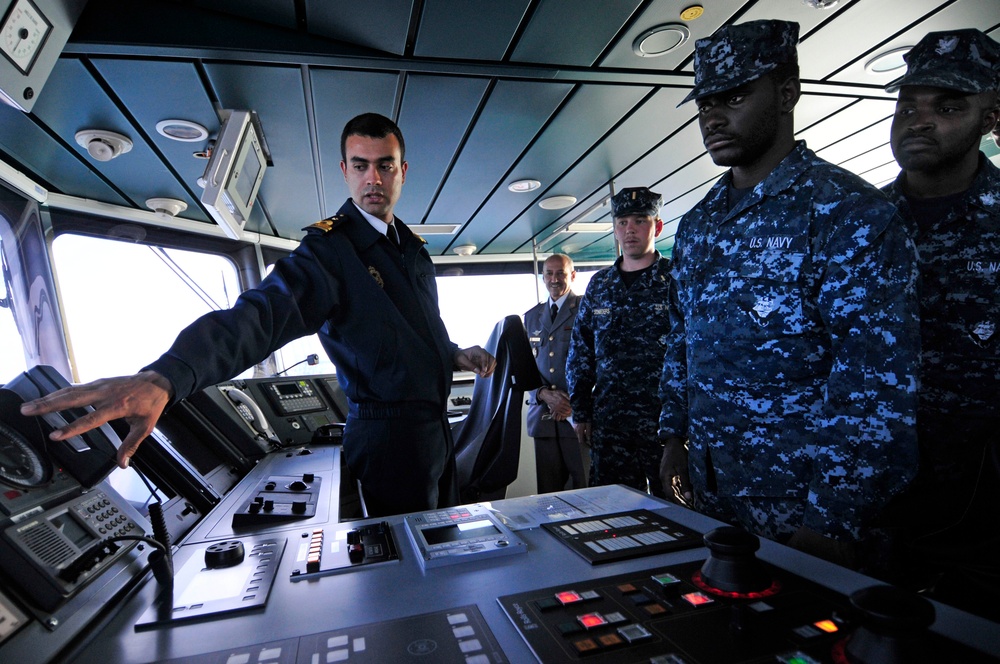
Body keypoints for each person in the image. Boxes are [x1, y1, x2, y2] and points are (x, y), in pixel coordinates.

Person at [20, 112, 495, 518]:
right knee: (408, 575)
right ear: (344, 172)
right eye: (361, 165)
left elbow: (411, 334)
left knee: (440, 550)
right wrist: (167, 377)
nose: (374, 178)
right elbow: (259, 317)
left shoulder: (411, 250)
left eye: (385, 166)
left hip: (433, 433)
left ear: (402, 171)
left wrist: (454, 355)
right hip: (389, 440)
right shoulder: (331, 251)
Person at [658, 20, 921, 567]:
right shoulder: (699, 224)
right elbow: (682, 339)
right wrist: (673, 437)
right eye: (704, 102)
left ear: (787, 94)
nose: (712, 116)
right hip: (711, 489)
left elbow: (874, 380)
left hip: (803, 504)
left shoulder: (848, 212)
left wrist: (835, 514)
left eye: (733, 96)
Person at [878, 29, 1000, 618]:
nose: (918, 121)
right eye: (908, 105)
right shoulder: (856, 224)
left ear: (990, 116)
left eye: (948, 107)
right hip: (867, 509)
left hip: (983, 527)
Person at [566, 187, 672, 497]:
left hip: (665, 423)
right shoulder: (601, 284)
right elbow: (581, 351)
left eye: (640, 221)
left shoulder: (677, 279)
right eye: (622, 222)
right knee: (609, 508)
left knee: (677, 509)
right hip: (611, 422)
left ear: (657, 226)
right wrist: (581, 412)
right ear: (615, 229)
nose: (630, 230)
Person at [524, 253, 586, 494]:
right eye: (549, 273)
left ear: (572, 275)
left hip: (577, 416)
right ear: (543, 277)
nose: (554, 279)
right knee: (548, 494)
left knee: (585, 488)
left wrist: (575, 401)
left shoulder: (585, 309)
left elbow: (600, 361)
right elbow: (525, 367)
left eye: (560, 273)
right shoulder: (531, 317)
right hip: (543, 417)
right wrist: (543, 394)